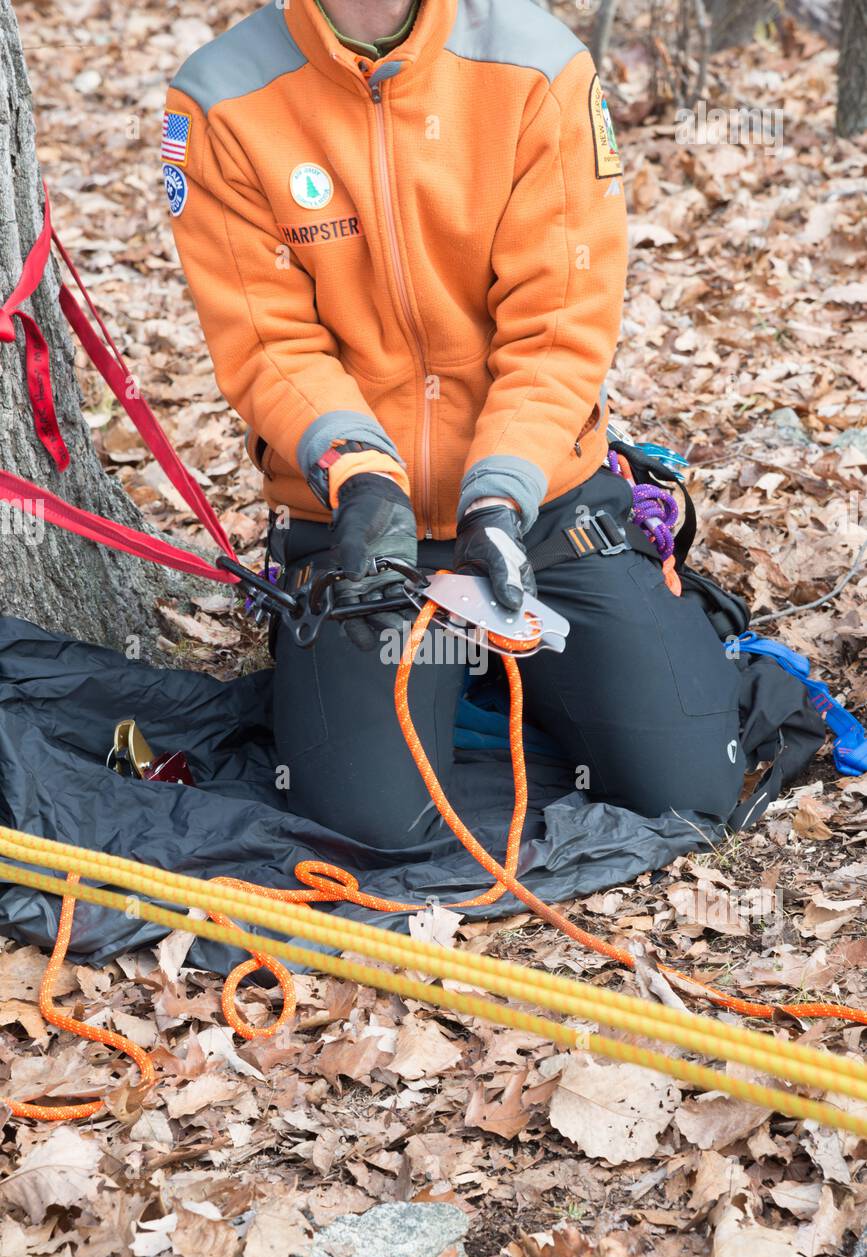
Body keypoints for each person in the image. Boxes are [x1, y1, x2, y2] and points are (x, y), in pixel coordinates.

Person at [162, 0, 745, 849]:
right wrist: (359, 476)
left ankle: (535, 669)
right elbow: (266, 339)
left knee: (687, 791)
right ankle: (473, 681)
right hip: (361, 527)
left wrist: (500, 496)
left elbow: (557, 325)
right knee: (373, 828)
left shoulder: (536, 65)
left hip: (538, 502)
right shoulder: (221, 95)